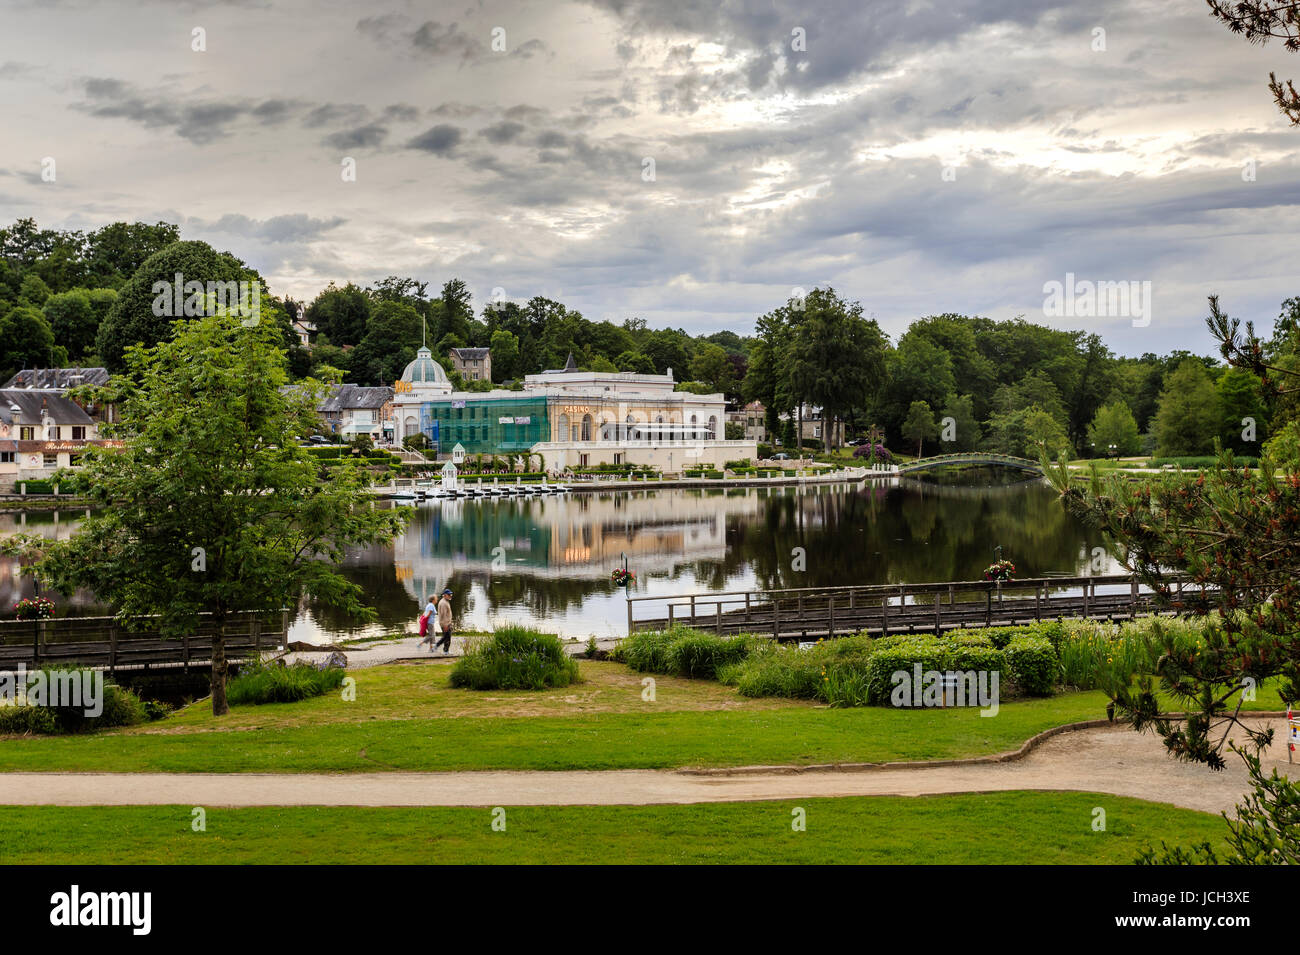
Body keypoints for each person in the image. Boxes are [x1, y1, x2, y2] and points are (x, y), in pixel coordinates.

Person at [433, 588, 454, 654]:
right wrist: (445, 625)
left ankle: (441, 648)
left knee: (446, 637)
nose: (450, 595)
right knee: (447, 637)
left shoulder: (445, 601)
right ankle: (443, 650)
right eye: (449, 594)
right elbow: (443, 615)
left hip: (447, 623)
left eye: (451, 594)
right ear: (444, 595)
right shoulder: (443, 603)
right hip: (445, 624)